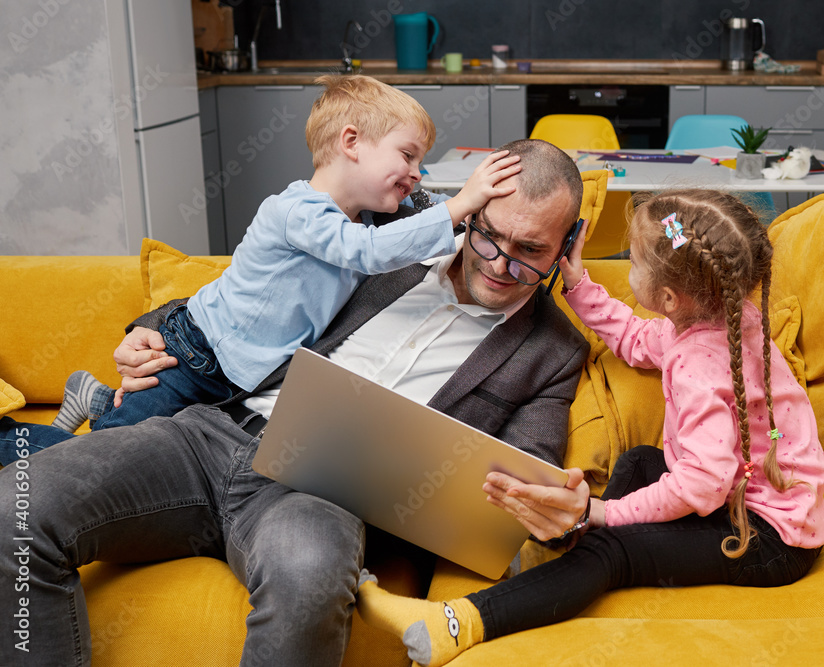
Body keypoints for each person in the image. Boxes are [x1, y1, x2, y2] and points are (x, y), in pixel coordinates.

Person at [0, 138, 594, 666]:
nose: (498, 265)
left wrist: (553, 516)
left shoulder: (554, 349)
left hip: (322, 496)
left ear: (567, 247)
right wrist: (150, 329)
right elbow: (249, 287)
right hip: (212, 435)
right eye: (488, 237)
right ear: (473, 206)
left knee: (308, 583)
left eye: (529, 253)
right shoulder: (387, 237)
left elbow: (523, 480)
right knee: (13, 509)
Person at [355, 189, 824, 667]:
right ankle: (571, 548)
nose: (628, 268)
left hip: (770, 539)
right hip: (747, 495)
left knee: (611, 553)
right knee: (641, 462)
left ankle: (453, 625)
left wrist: (604, 514)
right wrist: (578, 283)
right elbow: (634, 338)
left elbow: (704, 485)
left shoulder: (698, 369)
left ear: (667, 297)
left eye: (634, 262)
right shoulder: (723, 318)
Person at [36, 74, 521, 445]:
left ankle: (92, 398)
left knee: (149, 443)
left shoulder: (367, 218)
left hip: (241, 378)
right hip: (196, 357)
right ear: (351, 143)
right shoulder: (296, 212)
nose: (417, 174)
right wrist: (462, 202)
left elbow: (425, 218)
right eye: (408, 156)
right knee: (101, 457)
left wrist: (471, 205)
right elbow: (369, 255)